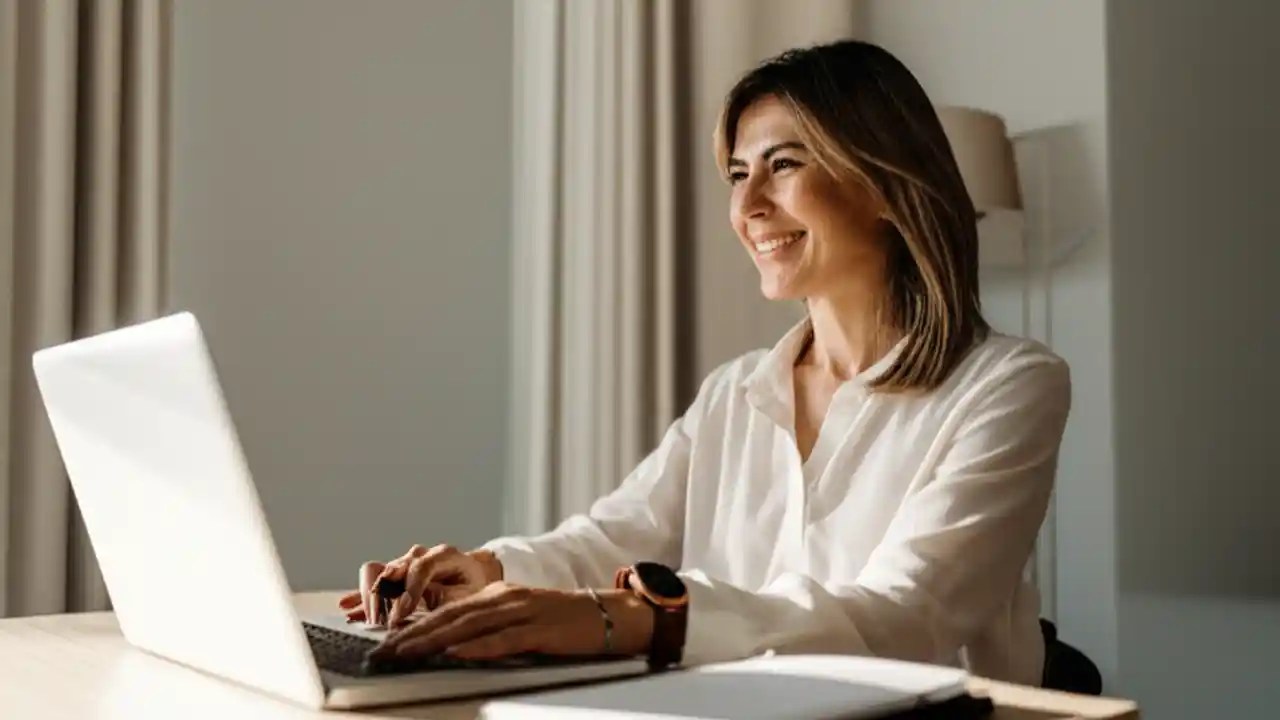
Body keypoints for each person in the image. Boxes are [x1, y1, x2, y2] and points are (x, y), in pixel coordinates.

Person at [339, 39, 1071, 686]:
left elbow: (906, 615)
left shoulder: (1009, 387)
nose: (747, 204)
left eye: (782, 165)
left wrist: (636, 618)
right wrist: (487, 573)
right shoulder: (738, 393)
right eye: (736, 173)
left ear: (884, 181)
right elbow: (611, 537)